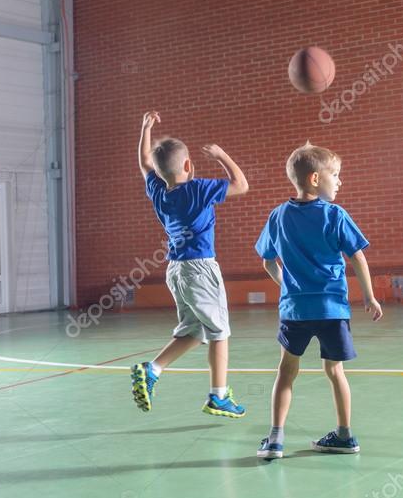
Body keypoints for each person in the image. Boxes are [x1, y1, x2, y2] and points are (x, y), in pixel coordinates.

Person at [254, 142, 382, 459]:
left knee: (286, 372)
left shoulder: (278, 216)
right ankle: (344, 436)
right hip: (332, 309)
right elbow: (357, 257)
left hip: (295, 310)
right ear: (314, 179)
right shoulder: (335, 215)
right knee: (335, 371)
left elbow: (268, 261)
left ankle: (274, 440)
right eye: (335, 175)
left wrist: (285, 285)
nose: (339, 181)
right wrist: (369, 295)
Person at [131, 110, 248, 418]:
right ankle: (218, 396)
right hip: (200, 268)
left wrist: (145, 128)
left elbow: (144, 162)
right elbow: (241, 185)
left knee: (194, 331)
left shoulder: (158, 191)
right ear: (188, 165)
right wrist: (222, 155)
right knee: (219, 332)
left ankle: (152, 369)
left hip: (176, 270)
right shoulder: (199, 189)